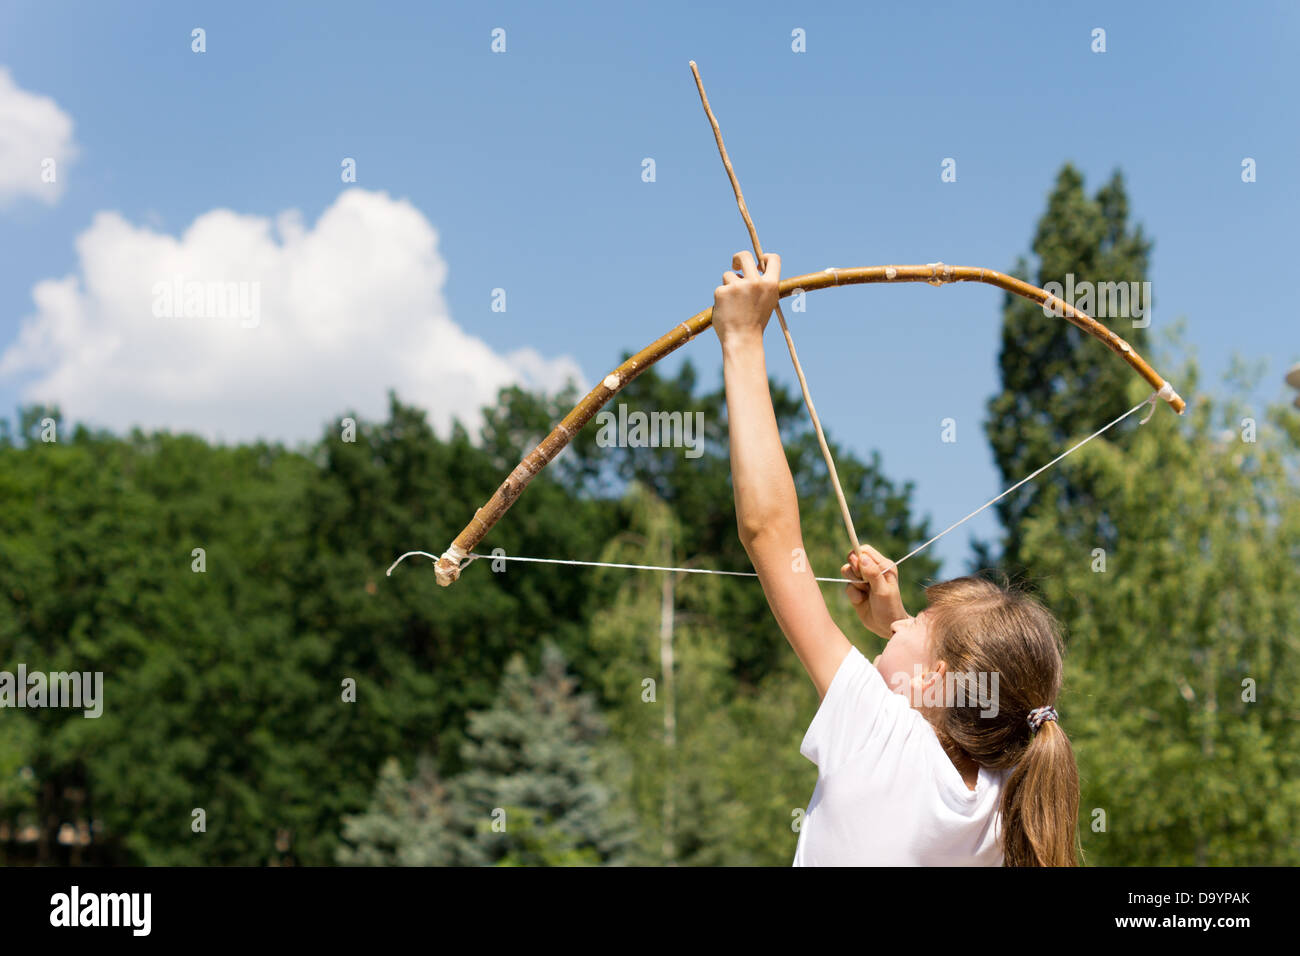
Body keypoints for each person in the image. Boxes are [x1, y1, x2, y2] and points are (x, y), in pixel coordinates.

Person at [712, 250, 1080, 866]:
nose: (902, 617)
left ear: (935, 680)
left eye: (918, 624)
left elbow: (768, 533)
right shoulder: (1006, 793)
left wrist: (744, 339)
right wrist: (898, 628)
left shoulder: (877, 734)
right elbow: (949, 704)